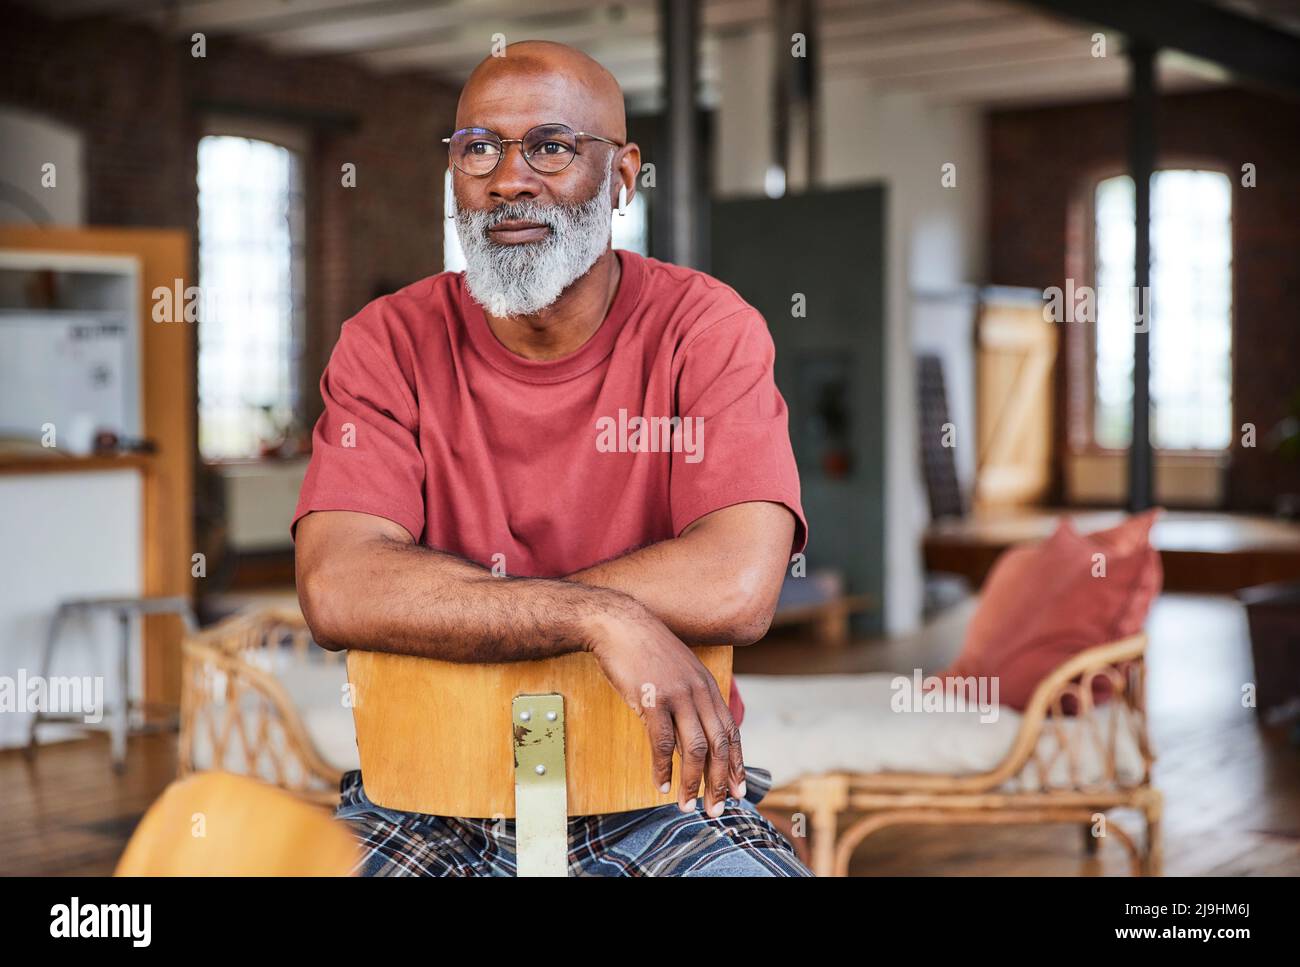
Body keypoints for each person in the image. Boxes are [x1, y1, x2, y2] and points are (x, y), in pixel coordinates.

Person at [293, 40, 810, 876]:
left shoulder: (706, 329)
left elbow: (738, 584)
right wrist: (599, 617)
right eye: (479, 150)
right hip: (422, 792)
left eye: (552, 146)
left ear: (623, 177)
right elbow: (338, 586)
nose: (508, 178)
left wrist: (462, 606)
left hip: (657, 792)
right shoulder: (386, 340)